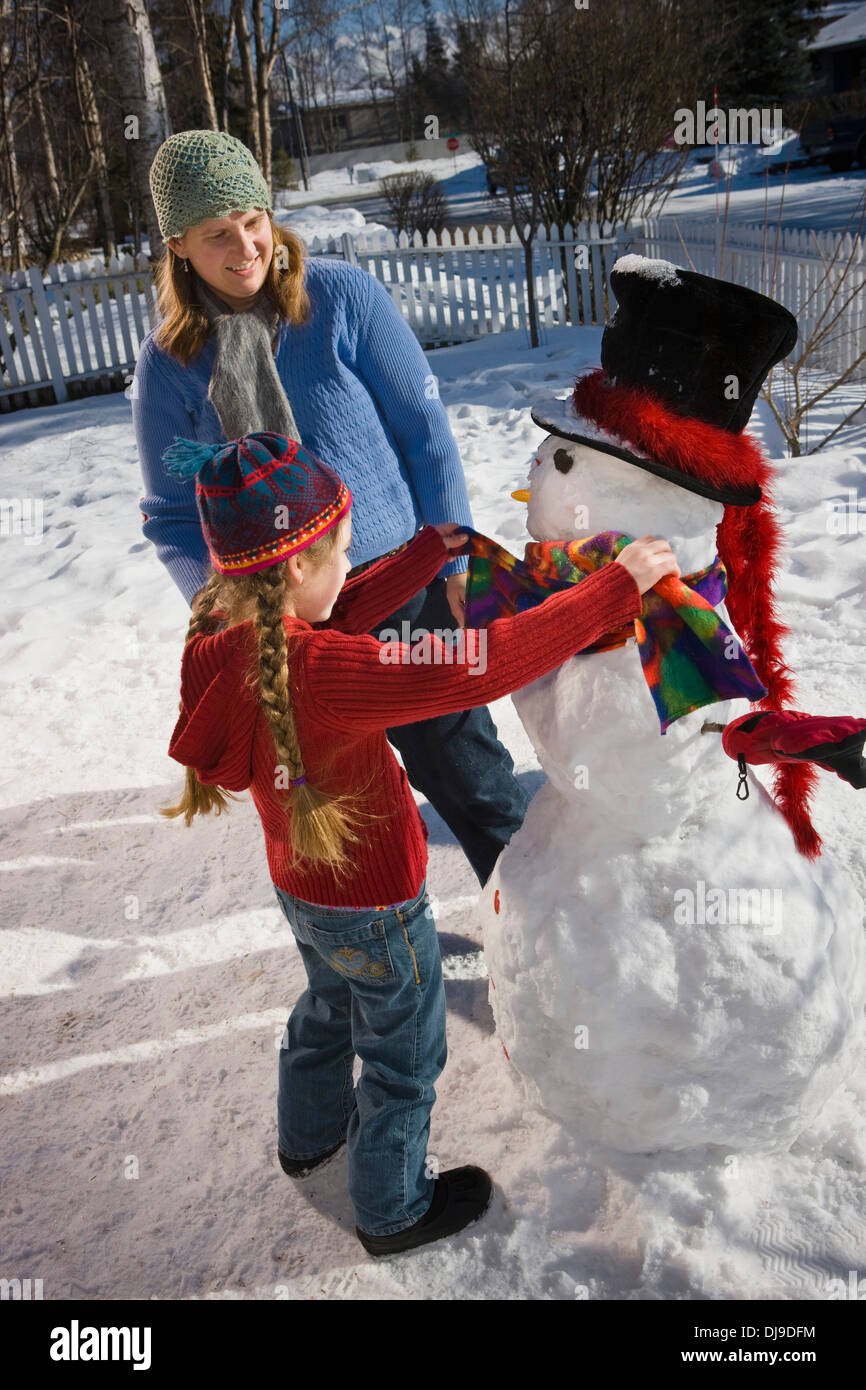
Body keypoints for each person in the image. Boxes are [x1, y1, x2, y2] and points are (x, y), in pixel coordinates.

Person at [159, 428, 679, 1257]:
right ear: (296, 566)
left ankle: (307, 1139)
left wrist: (411, 562)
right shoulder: (321, 671)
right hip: (376, 899)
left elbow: (333, 618)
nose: (346, 565)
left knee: (328, 1007)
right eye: (340, 550)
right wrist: (615, 589)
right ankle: (394, 1208)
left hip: (303, 887)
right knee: (405, 1050)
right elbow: (475, 667)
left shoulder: (221, 638)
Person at [133, 127, 530, 889]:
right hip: (283, 620)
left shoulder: (343, 297)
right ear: (179, 245)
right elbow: (171, 518)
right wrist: (230, 609)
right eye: (217, 235)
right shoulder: (171, 362)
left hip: (400, 586)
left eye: (253, 219)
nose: (245, 245)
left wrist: (454, 565)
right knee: (344, 812)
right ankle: (384, 957)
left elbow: (425, 432)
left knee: (469, 776)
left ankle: (545, 932)